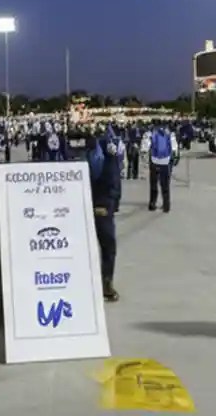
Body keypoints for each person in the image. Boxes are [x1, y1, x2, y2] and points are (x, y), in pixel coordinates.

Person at [90, 125, 122, 302]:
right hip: (103, 204)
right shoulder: (108, 153)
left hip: (86, 201)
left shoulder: (90, 151)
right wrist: (112, 203)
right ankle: (106, 283)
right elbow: (112, 180)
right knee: (108, 246)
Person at [144, 122, 177, 213]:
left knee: (153, 184)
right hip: (165, 161)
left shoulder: (151, 133)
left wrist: (145, 156)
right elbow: (174, 148)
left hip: (154, 160)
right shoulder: (169, 133)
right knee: (165, 185)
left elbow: (145, 147)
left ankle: (152, 203)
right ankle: (166, 205)